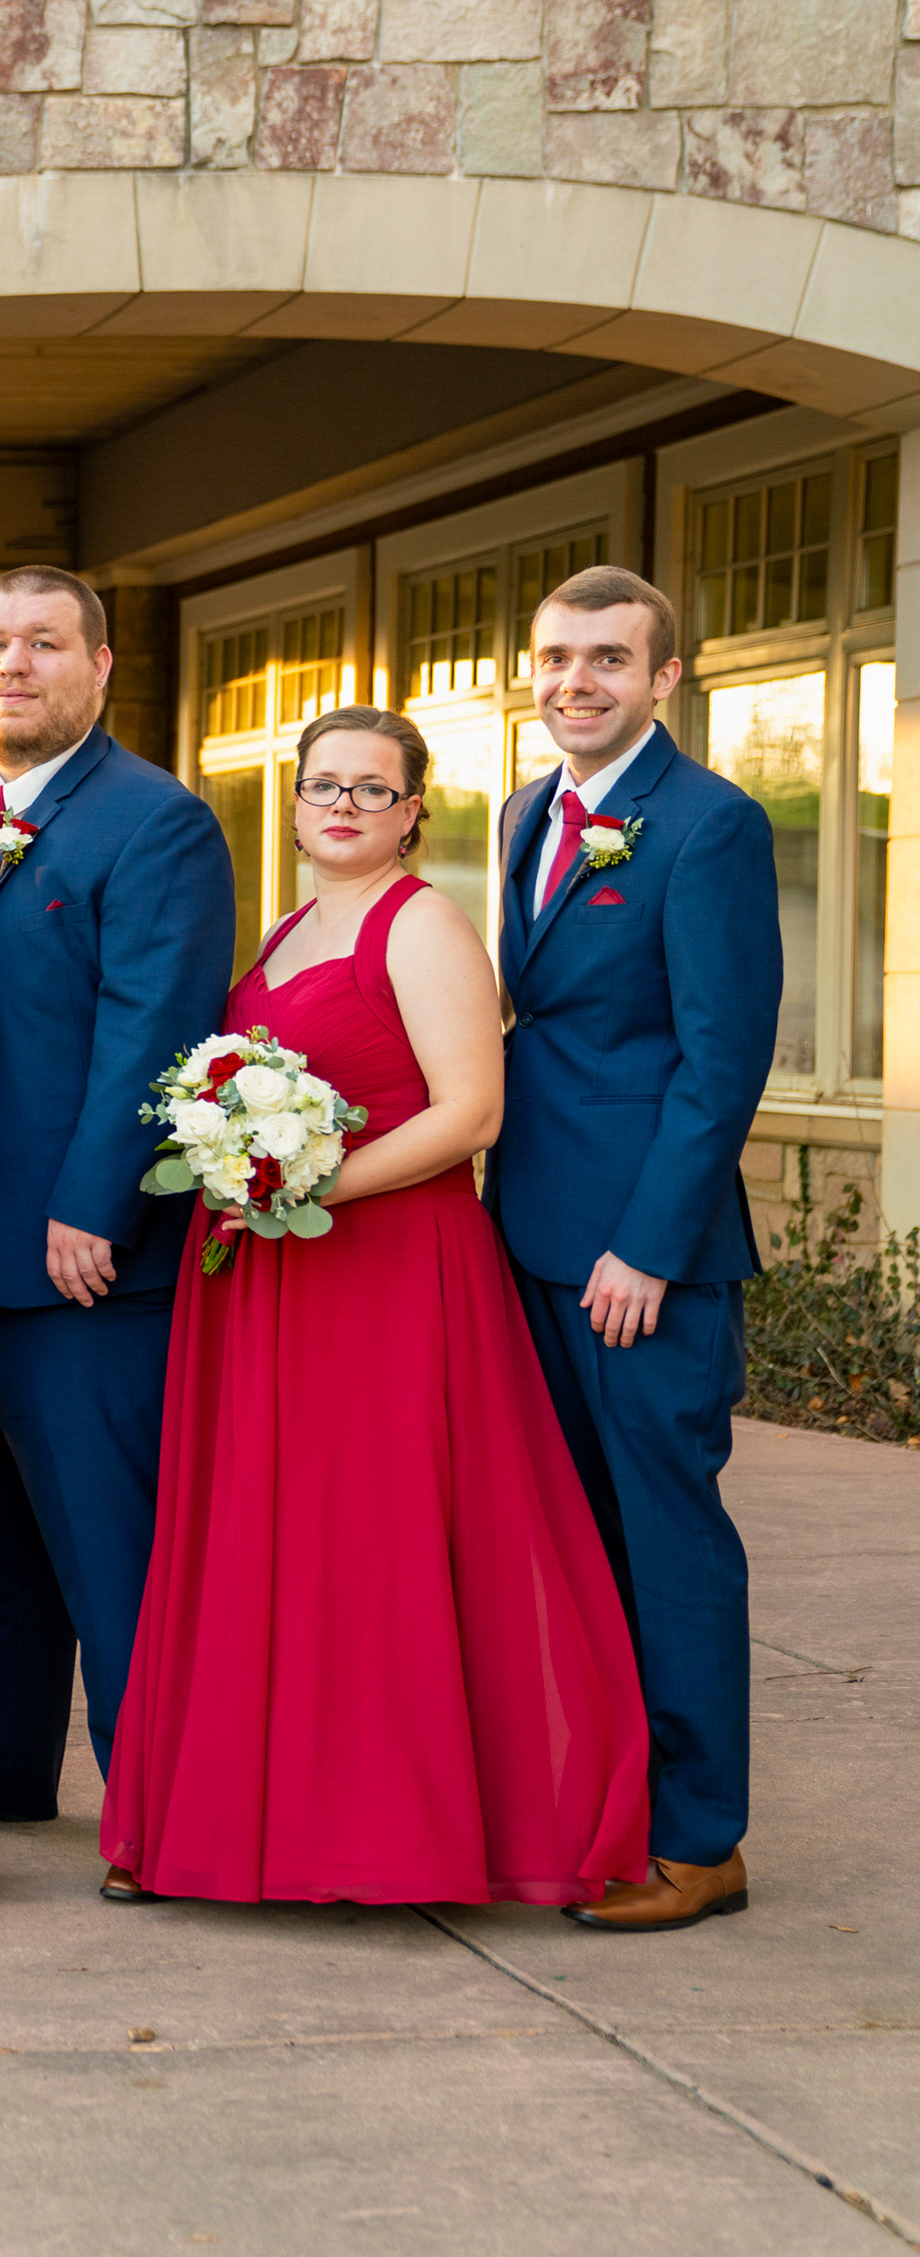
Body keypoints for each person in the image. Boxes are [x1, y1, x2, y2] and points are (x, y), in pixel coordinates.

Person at [101, 707, 652, 1907]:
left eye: (371, 789)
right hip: (268, 1274)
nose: (342, 806)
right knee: (278, 1536)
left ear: (413, 811)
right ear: (294, 806)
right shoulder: (289, 928)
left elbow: (470, 1114)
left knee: (375, 1540)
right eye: (322, 787)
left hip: (388, 1269)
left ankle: (384, 1835)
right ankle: (266, 1823)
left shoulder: (427, 925)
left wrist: (310, 1184)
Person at [0, 568, 233, 1825]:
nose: (12, 666)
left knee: (112, 1552)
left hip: (75, 1256)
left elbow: (153, 1026)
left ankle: (163, 1805)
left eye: (43, 643)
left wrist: (95, 1202)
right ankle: (3, 1773)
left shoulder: (154, 824)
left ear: (98, 666)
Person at [489, 568, 782, 1934]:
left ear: (666, 678)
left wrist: (648, 1250)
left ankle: (699, 1837)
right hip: (528, 1234)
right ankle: (603, 1811)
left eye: (607, 658)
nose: (574, 681)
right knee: (575, 1546)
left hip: (639, 1265)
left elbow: (719, 1062)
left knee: (666, 1544)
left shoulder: (709, 825)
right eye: (555, 657)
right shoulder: (524, 813)